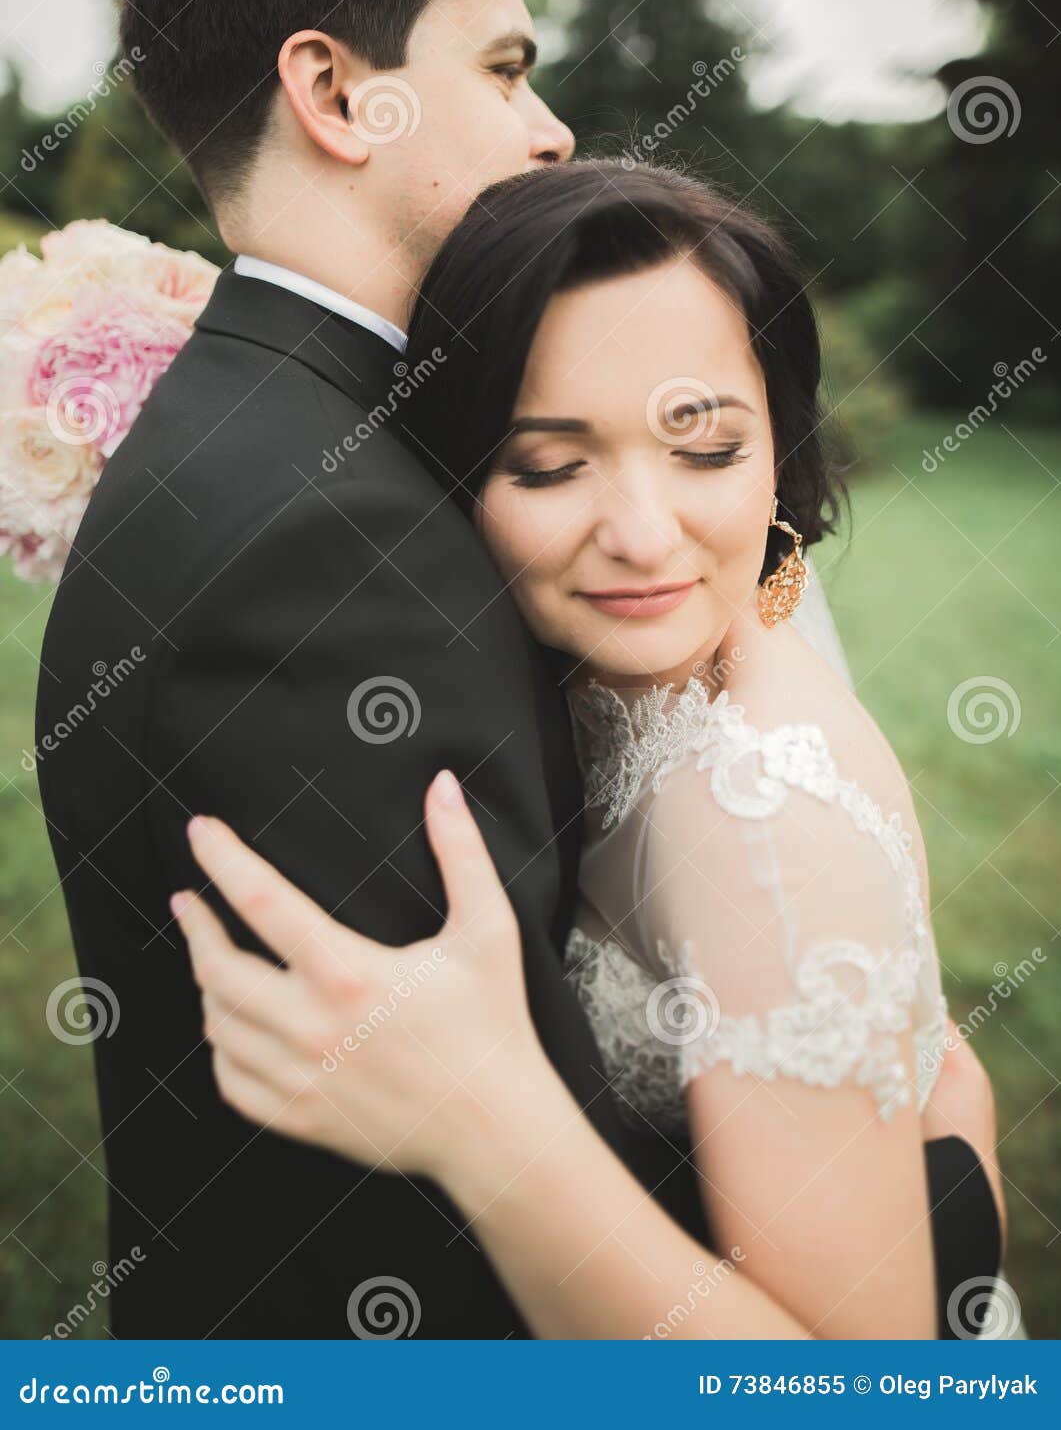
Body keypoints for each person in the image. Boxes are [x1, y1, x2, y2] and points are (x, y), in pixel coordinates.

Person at [35, 0, 998, 1339]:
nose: (548, 128)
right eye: (501, 67)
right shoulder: (331, 539)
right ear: (336, 92)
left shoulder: (291, 428)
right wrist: (948, 1192)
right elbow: (437, 1233)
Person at [173, 163, 1009, 1340]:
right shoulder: (624, 683)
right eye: (550, 465)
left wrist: (488, 1128)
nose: (639, 534)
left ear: (778, 446)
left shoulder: (753, 808)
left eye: (705, 449)